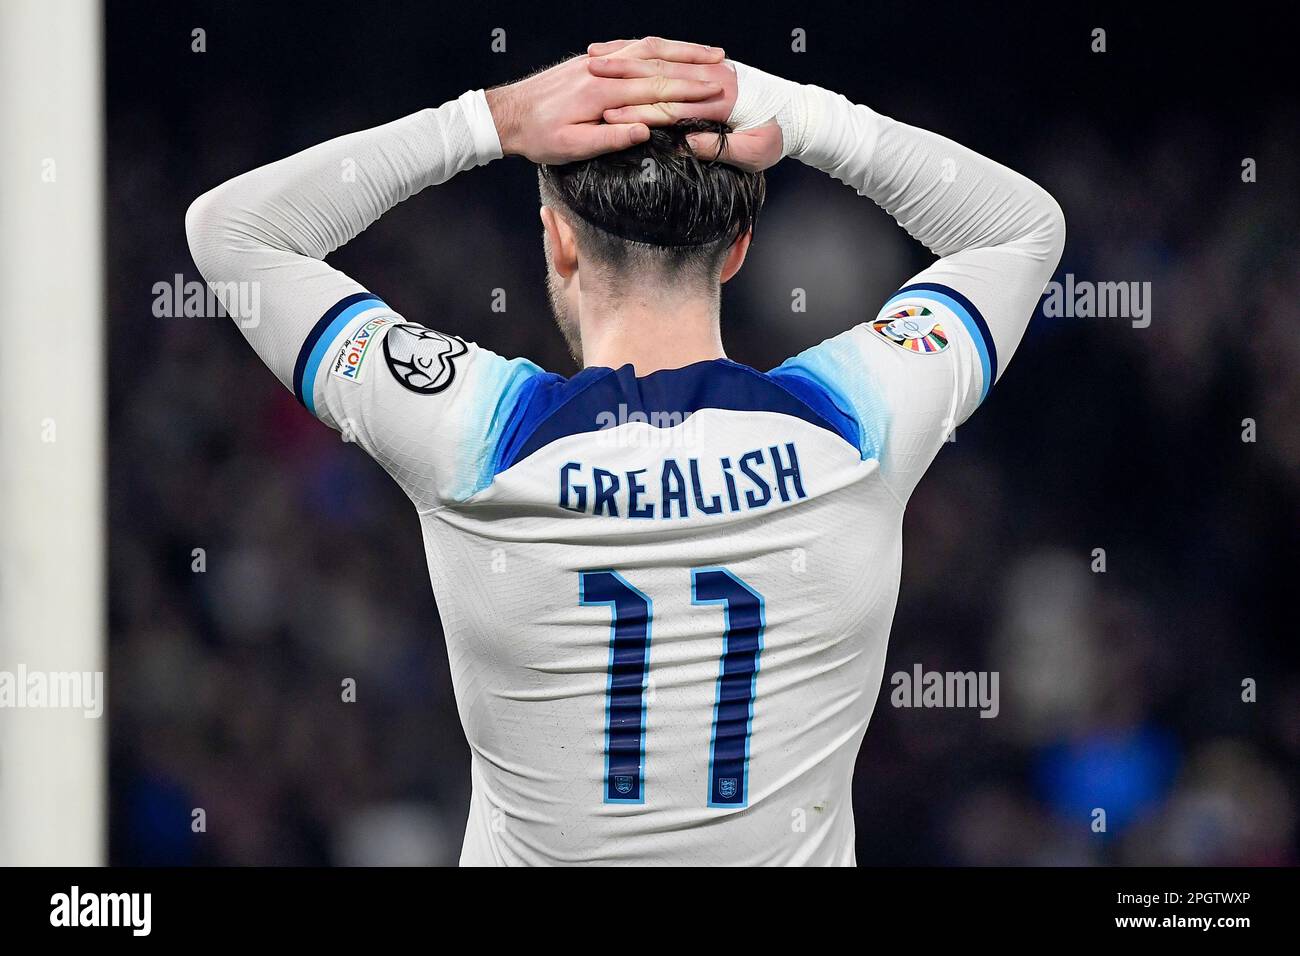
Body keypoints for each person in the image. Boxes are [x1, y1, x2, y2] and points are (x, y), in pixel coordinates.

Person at [185, 36, 1065, 866]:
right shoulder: (854, 429)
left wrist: (489, 119)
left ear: (559, 239)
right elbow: (1022, 229)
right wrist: (788, 108)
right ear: (740, 251)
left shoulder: (477, 437)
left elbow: (232, 233)